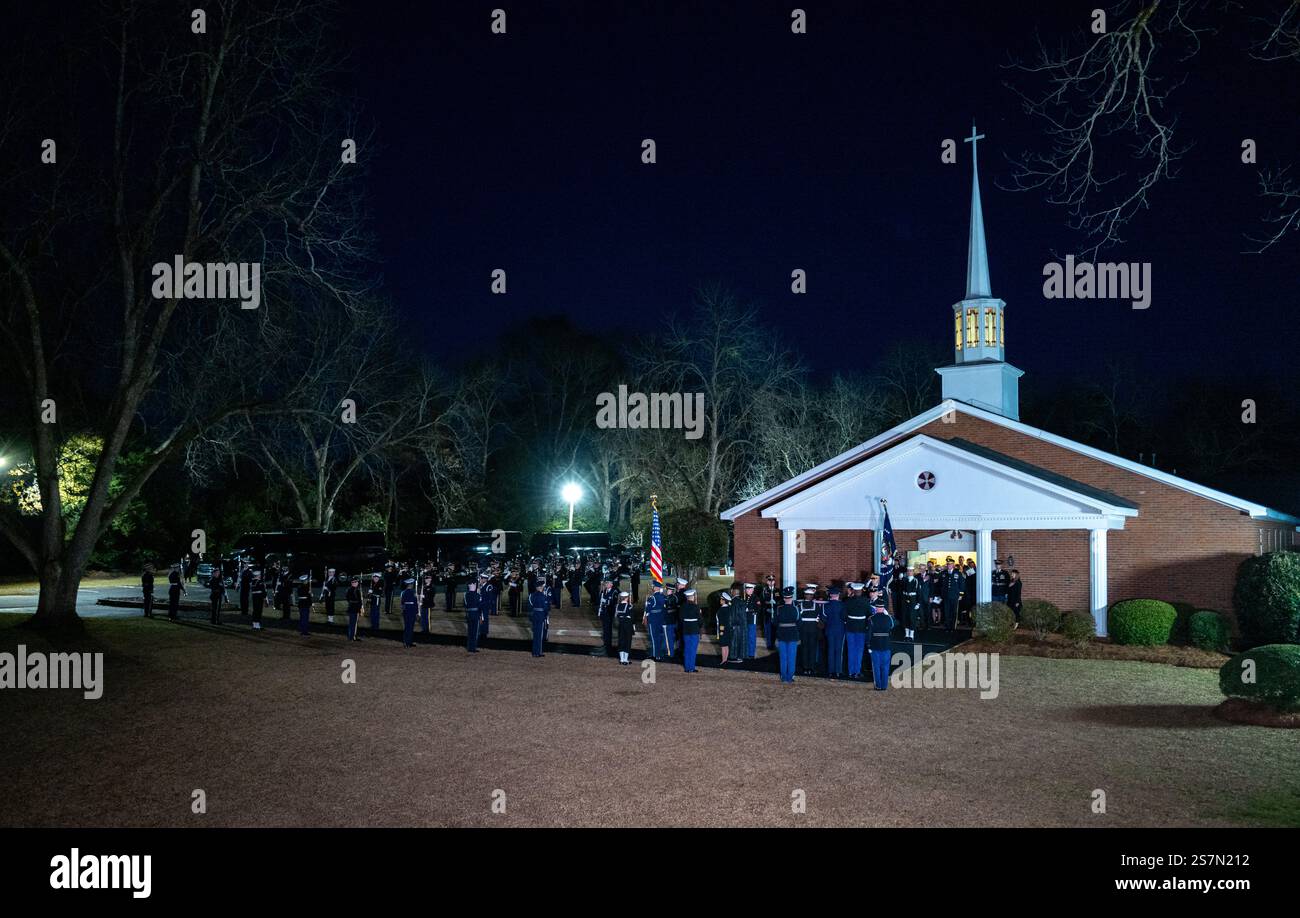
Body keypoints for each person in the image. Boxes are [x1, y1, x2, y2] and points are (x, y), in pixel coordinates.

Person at [868, 596, 896, 691]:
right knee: (885, 666)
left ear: (876, 608)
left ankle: (878, 686)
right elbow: (893, 625)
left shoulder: (871, 618)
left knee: (876, 666)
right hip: (886, 644)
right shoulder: (888, 618)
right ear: (883, 608)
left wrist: (868, 645)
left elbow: (869, 633)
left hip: (875, 645)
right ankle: (884, 686)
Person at [774, 587, 800, 683]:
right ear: (791, 598)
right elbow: (799, 623)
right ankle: (790, 677)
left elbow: (775, 622)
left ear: (784, 598)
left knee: (783, 657)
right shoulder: (796, 609)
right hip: (793, 635)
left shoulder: (779, 609)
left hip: (781, 635)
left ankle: (783, 677)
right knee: (792, 657)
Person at [843, 582, 868, 680]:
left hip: (850, 627)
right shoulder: (866, 601)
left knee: (851, 650)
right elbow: (869, 614)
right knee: (859, 650)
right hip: (861, 628)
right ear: (861, 591)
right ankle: (857, 671)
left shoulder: (848, 601)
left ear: (853, 591)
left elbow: (843, 615)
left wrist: (847, 621)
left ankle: (850, 672)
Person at [820, 585, 846, 678]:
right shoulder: (842, 605)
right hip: (840, 629)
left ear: (830, 595)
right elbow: (844, 617)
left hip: (829, 629)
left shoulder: (825, 606)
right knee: (839, 650)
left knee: (830, 649)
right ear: (838, 595)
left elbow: (823, 618)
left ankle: (831, 671)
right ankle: (838, 670)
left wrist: (829, 623)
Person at [796, 586, 819, 676]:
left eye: (809, 595)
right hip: (812, 628)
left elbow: (798, 617)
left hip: (803, 628)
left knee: (804, 647)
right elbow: (818, 617)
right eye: (809, 595)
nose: (809, 596)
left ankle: (805, 668)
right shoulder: (816, 605)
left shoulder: (799, 605)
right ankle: (811, 667)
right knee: (812, 648)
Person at [897, 566, 922, 641]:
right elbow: (900, 589)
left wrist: (918, 603)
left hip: (913, 600)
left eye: (911, 571)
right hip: (905, 600)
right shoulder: (904, 580)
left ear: (913, 572)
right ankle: (906, 635)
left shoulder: (916, 581)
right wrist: (900, 579)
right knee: (905, 617)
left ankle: (911, 635)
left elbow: (919, 593)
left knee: (912, 618)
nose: (909, 572)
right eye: (908, 571)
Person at [679, 588, 702, 672]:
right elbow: (700, 621)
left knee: (687, 649)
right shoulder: (696, 607)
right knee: (693, 650)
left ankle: (687, 667)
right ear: (692, 597)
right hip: (694, 630)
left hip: (686, 630)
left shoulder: (683, 606)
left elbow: (681, 618)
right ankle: (691, 667)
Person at [940, 557, 964, 631]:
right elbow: (941, 585)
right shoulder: (943, 573)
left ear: (953, 565)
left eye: (950, 564)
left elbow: (962, 584)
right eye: (948, 564)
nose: (949, 566)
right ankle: (947, 627)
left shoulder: (958, 573)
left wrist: (960, 595)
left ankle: (953, 627)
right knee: (947, 612)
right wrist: (941, 595)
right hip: (946, 596)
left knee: (954, 612)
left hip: (954, 596)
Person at [643, 581, 666, 661]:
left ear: (656, 588)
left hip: (653, 619)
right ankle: (658, 654)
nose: (652, 588)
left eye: (653, 586)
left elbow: (648, 610)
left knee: (653, 637)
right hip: (660, 618)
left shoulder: (652, 598)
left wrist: (645, 618)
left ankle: (655, 655)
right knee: (659, 637)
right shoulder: (663, 596)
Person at [528, 580, 550, 657]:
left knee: (535, 634)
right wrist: (545, 615)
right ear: (540, 587)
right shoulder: (543, 596)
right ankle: (538, 652)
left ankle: (534, 651)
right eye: (542, 587)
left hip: (534, 615)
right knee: (540, 635)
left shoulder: (531, 595)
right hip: (541, 615)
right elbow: (546, 608)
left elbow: (530, 606)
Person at [758, 574, 779, 650]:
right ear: (767, 582)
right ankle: (769, 644)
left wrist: (775, 602)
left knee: (774, 629)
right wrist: (768, 602)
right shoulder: (764, 591)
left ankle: (773, 644)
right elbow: (761, 601)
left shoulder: (777, 591)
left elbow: (779, 600)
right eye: (769, 580)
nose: (771, 582)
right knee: (768, 629)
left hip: (775, 613)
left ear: (774, 582)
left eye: (772, 580)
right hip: (767, 612)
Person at [615, 590, 634, 664]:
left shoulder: (617, 606)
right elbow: (632, 617)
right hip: (628, 625)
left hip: (621, 625)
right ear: (626, 598)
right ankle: (625, 659)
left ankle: (621, 659)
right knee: (627, 641)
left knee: (621, 641)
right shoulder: (629, 606)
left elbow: (617, 615)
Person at [464, 578, 482, 653]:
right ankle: (472, 648)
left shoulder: (465, 594)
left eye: (474, 584)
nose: (473, 586)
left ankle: (470, 647)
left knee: (470, 631)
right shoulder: (477, 595)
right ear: (469, 585)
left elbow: (465, 604)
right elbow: (480, 605)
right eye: (472, 584)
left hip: (469, 613)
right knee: (474, 632)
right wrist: (479, 595)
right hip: (475, 613)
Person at [717, 591, 735, 666]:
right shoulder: (728, 608)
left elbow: (722, 621)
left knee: (723, 645)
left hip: (723, 629)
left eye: (721, 599)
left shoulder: (722, 609)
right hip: (727, 629)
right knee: (726, 645)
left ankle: (724, 660)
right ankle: (725, 659)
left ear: (724, 600)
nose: (720, 601)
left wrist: (721, 630)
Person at [400, 577, 418, 647]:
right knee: (409, 627)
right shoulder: (412, 592)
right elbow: (415, 602)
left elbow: (402, 603)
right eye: (411, 584)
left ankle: (408, 642)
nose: (412, 585)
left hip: (406, 610)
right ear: (410, 585)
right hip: (411, 610)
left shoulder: (403, 592)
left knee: (408, 627)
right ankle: (407, 642)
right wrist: (416, 612)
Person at [345, 575, 363, 641]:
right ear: (352, 583)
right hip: (354, 608)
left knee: (353, 623)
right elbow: (350, 599)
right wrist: (359, 606)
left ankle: (352, 636)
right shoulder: (352, 590)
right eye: (354, 582)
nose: (356, 583)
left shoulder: (355, 589)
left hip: (354, 608)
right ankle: (351, 637)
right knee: (353, 623)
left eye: (356, 582)